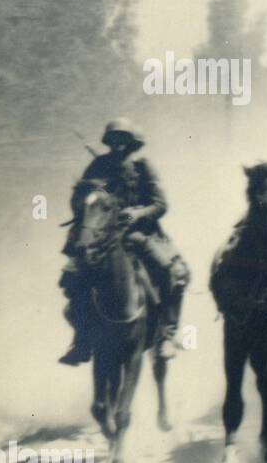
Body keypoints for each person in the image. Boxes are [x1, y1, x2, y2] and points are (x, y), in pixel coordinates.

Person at [59, 118, 190, 365]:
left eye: (123, 140)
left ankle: (166, 334)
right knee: (73, 280)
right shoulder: (98, 165)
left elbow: (161, 204)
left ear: (132, 142)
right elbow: (79, 199)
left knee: (172, 272)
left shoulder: (143, 167)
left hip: (138, 234)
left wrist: (137, 213)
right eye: (114, 140)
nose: (118, 145)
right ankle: (83, 339)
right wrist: (88, 204)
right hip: (101, 237)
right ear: (109, 142)